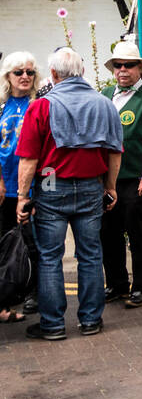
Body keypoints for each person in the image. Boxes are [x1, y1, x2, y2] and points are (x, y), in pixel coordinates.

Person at [15, 48, 122, 339]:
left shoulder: (41, 107)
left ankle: (52, 325)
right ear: (83, 71)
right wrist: (110, 187)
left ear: (53, 74)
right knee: (90, 255)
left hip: (51, 183)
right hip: (90, 185)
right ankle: (90, 321)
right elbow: (114, 154)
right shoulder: (105, 105)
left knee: (50, 257)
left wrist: (23, 196)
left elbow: (28, 159)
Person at [99, 42, 142, 309]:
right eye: (118, 65)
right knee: (108, 233)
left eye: (129, 65)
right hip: (106, 179)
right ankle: (116, 283)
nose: (123, 70)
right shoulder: (103, 96)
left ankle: (141, 287)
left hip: (134, 176)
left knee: (137, 234)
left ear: (140, 68)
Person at [0, 52, 40, 321]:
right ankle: (3, 304)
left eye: (30, 72)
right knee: (4, 246)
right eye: (19, 72)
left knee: (35, 246)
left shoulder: (40, 105)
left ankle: (34, 295)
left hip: (33, 189)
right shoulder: (0, 107)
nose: (25, 76)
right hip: (4, 189)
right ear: (8, 77)